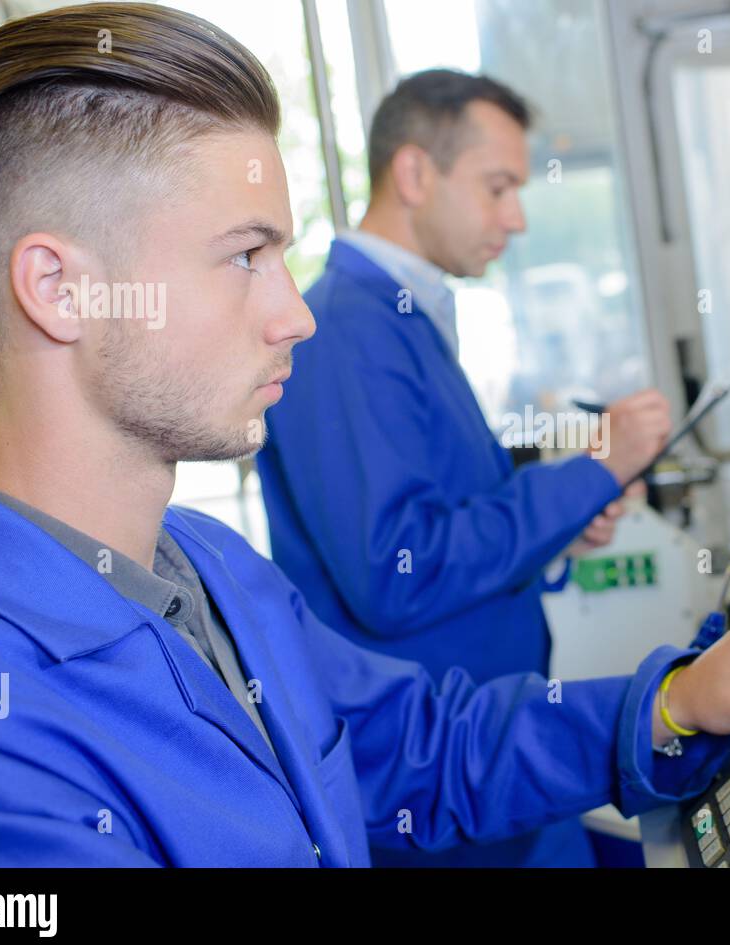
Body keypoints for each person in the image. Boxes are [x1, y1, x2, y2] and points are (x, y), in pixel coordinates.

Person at [0, 2, 730, 868]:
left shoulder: (208, 570)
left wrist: (673, 701)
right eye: (243, 255)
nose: (291, 313)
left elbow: (420, 746)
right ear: (61, 289)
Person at [256, 69, 671, 866]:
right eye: (497, 187)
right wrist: (591, 468)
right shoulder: (346, 331)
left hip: (490, 765)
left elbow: (444, 512)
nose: (515, 218)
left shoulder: (403, 315)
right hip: (439, 789)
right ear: (415, 173)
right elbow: (395, 571)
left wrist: (563, 522)